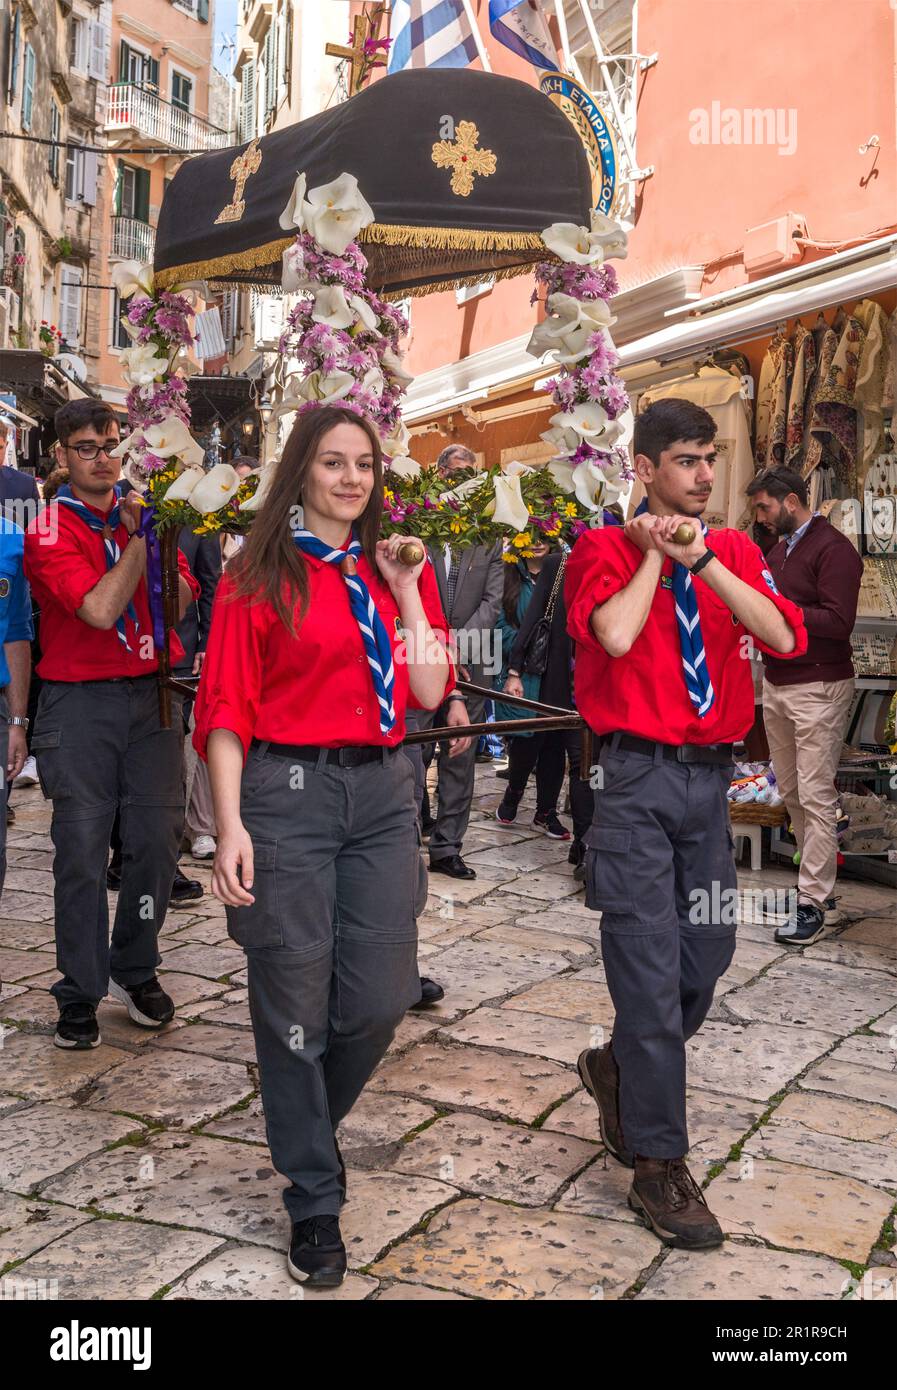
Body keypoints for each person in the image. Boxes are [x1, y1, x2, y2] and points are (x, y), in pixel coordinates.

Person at [194, 405, 453, 1288]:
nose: (351, 479)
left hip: (383, 793)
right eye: (333, 463)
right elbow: (223, 707)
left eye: (365, 465)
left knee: (378, 1000)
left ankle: (304, 1128)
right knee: (291, 999)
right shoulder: (255, 576)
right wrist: (228, 825)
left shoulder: (392, 572)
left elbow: (426, 686)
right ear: (300, 471)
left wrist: (410, 588)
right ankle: (313, 1195)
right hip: (284, 796)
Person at [566, 399, 807, 1250]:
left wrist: (700, 562)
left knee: (705, 957)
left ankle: (620, 1072)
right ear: (643, 469)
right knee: (645, 975)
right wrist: (648, 557)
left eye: (710, 459)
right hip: (630, 781)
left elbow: (781, 634)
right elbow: (618, 636)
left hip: (709, 788)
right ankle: (657, 1167)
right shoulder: (597, 549)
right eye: (686, 461)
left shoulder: (733, 551)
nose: (706, 475)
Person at [24, 399, 199, 1051]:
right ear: (63, 456)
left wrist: (158, 537)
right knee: (80, 853)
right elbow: (98, 609)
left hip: (154, 699)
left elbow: (181, 600)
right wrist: (138, 541)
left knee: (155, 845)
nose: (104, 456)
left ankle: (135, 966)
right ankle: (77, 989)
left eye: (113, 444)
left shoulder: (143, 517)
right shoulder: (48, 528)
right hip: (80, 706)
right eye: (89, 446)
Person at [746, 467, 863, 944]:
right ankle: (817, 888)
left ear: (791, 500)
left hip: (819, 685)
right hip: (778, 682)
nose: (761, 517)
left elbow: (838, 622)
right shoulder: (779, 550)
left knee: (815, 795)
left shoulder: (835, 551)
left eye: (764, 507)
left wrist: (777, 612)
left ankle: (814, 902)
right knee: (790, 791)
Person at [406, 443, 503, 880]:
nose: (461, 483)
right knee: (415, 754)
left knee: (460, 757)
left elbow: (493, 601)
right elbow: (408, 597)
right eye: (455, 474)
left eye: (470, 476)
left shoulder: (488, 536)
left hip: (474, 658)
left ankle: (447, 848)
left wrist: (458, 650)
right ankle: (406, 842)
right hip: (421, 656)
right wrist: (439, 651)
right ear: (438, 474)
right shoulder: (416, 532)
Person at [500, 546, 595, 873]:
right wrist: (514, 671)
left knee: (584, 764)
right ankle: (516, 796)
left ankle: (582, 842)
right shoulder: (559, 565)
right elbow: (532, 618)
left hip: (596, 685)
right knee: (540, 746)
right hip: (558, 681)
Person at [494, 540, 572, 838]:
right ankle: (513, 792)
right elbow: (498, 626)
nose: (537, 541)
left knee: (554, 742)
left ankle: (546, 811)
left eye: (543, 533)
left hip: (558, 674)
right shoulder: (507, 575)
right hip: (523, 673)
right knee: (527, 742)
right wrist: (529, 645)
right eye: (529, 533)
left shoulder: (564, 572)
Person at [176, 526, 223, 860]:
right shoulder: (127, 506)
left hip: (187, 646)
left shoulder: (198, 522)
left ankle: (201, 825)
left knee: (195, 735)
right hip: (135, 647)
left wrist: (207, 642)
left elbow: (210, 584)